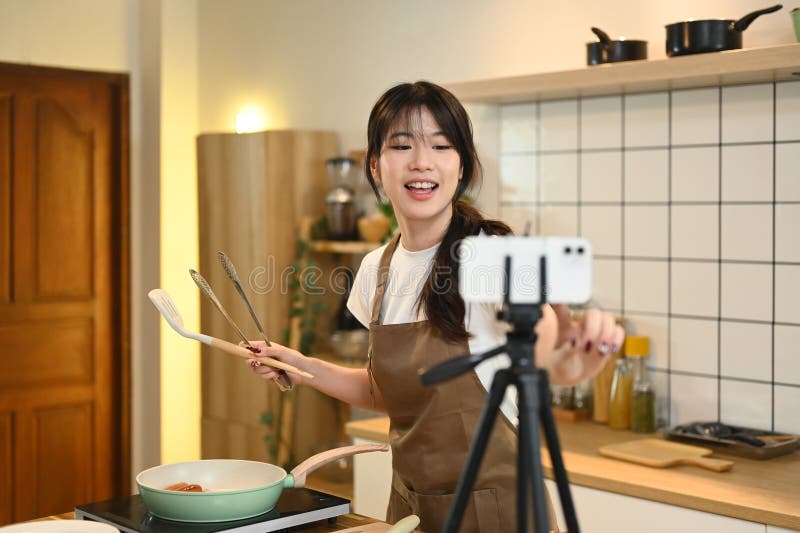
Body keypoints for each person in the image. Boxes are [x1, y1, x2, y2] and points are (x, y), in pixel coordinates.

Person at [247, 81, 625, 533]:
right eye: (401, 145)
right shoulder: (376, 269)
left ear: (461, 166)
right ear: (375, 166)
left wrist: (572, 358)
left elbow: (547, 349)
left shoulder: (490, 254)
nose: (422, 161)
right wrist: (302, 366)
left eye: (441, 146)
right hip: (411, 510)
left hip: (498, 515)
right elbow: (387, 393)